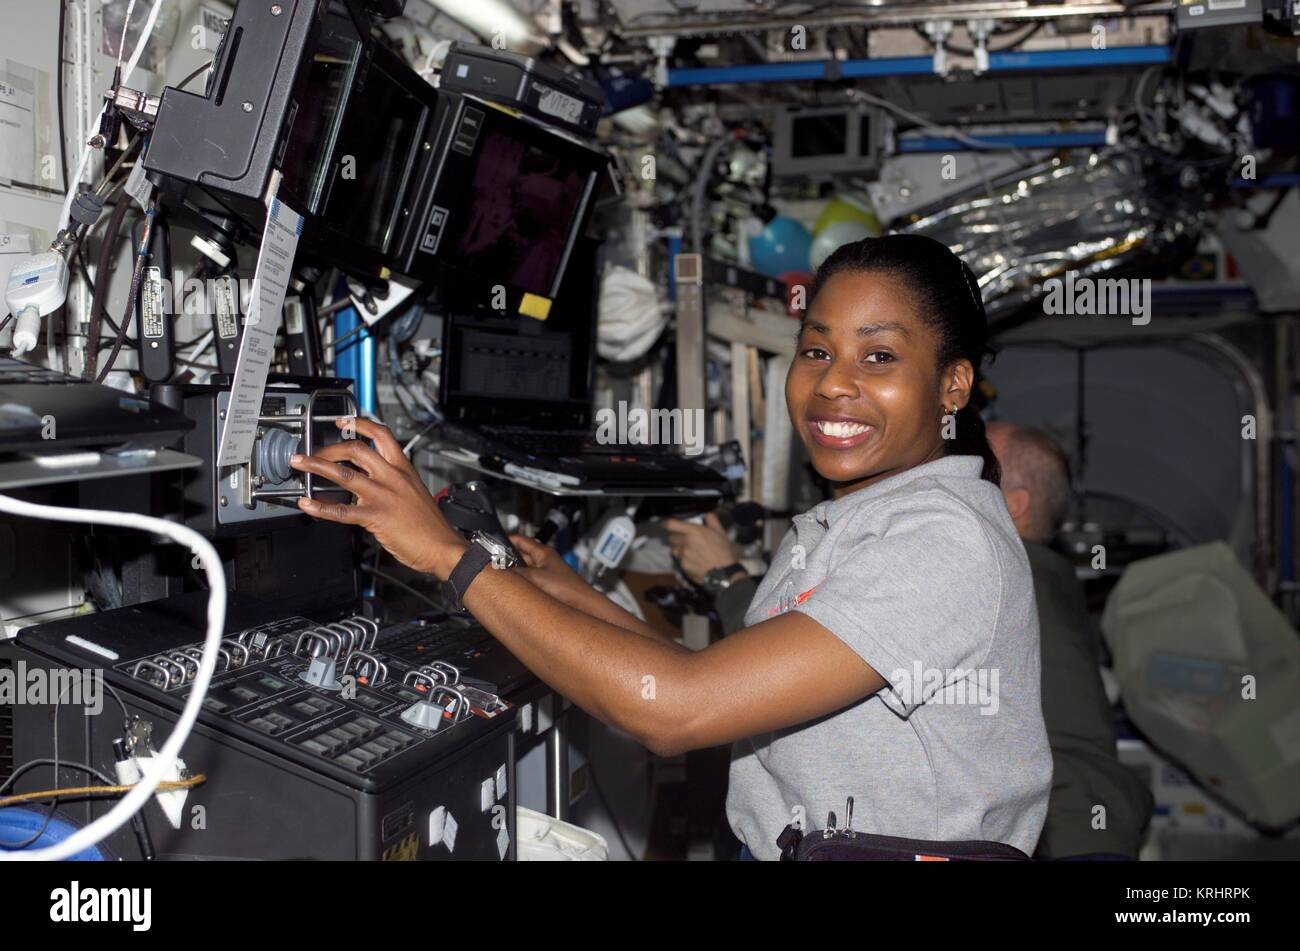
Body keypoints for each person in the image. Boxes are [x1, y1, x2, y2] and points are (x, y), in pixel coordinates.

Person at [288, 234, 1053, 860]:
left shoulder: (944, 538)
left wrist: (451, 561)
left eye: (878, 357)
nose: (834, 385)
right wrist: (564, 593)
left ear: (952, 386)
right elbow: (709, 684)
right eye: (817, 351)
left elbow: (678, 711)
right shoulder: (846, 520)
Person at [985, 422, 1154, 859]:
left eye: (975, 463)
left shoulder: (1005, 576)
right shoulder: (1047, 576)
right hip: (1087, 821)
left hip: (1066, 828)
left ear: (1014, 505)